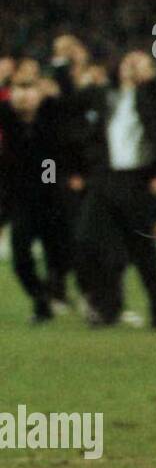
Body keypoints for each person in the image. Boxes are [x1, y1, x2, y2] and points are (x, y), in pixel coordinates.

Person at [53, 24, 156, 329]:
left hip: (138, 182)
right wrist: (62, 60)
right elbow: (69, 102)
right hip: (105, 180)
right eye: (129, 60)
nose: (133, 64)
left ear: (150, 72)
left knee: (142, 252)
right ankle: (104, 307)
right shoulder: (104, 95)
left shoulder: (152, 96)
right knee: (86, 242)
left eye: (141, 62)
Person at [0, 59, 74, 323]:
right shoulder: (8, 118)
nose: (23, 95)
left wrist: (61, 72)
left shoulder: (51, 113)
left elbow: (70, 102)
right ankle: (41, 299)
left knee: (59, 255)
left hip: (52, 198)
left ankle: (56, 293)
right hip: (21, 201)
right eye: (17, 89)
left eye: (29, 88)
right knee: (20, 258)